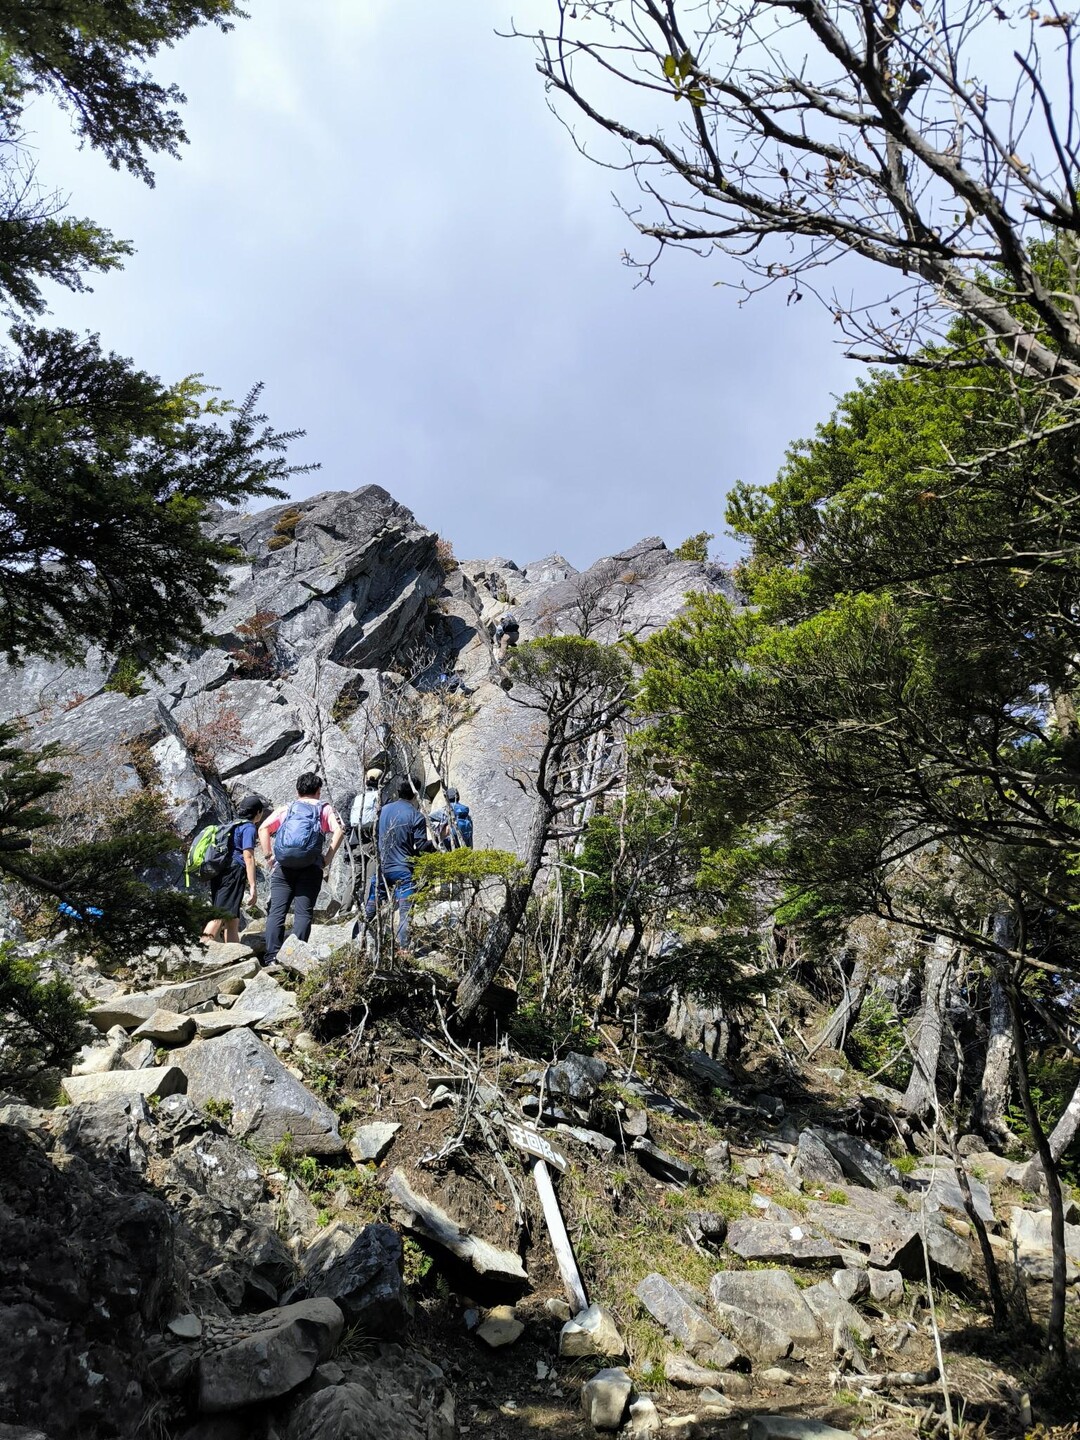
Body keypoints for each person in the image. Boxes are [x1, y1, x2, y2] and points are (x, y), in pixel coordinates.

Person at [259, 772, 344, 966]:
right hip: (311, 867)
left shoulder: (287, 809)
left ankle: (271, 957)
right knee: (303, 913)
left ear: (297, 790)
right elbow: (339, 830)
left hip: (283, 867)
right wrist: (328, 857)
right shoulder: (324, 808)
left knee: (276, 912)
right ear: (318, 791)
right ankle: (294, 959)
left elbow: (263, 828)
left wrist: (269, 856)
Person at [365, 779, 433, 950]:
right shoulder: (416, 815)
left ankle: (359, 944)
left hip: (381, 869)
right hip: (403, 871)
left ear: (398, 791)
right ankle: (404, 951)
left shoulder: (383, 811)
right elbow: (422, 848)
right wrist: (437, 844)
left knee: (369, 911)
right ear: (417, 792)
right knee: (405, 913)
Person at [201, 794, 266, 946]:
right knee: (219, 915)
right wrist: (253, 886)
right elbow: (248, 857)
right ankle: (201, 953)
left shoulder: (232, 824)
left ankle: (235, 956)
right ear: (257, 812)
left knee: (232, 919)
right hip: (233, 872)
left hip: (220, 871)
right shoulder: (249, 827)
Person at [433, 786, 473, 850]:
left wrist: (438, 830)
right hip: (465, 845)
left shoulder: (444, 810)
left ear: (447, 798)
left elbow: (428, 818)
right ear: (458, 796)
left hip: (451, 844)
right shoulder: (465, 812)